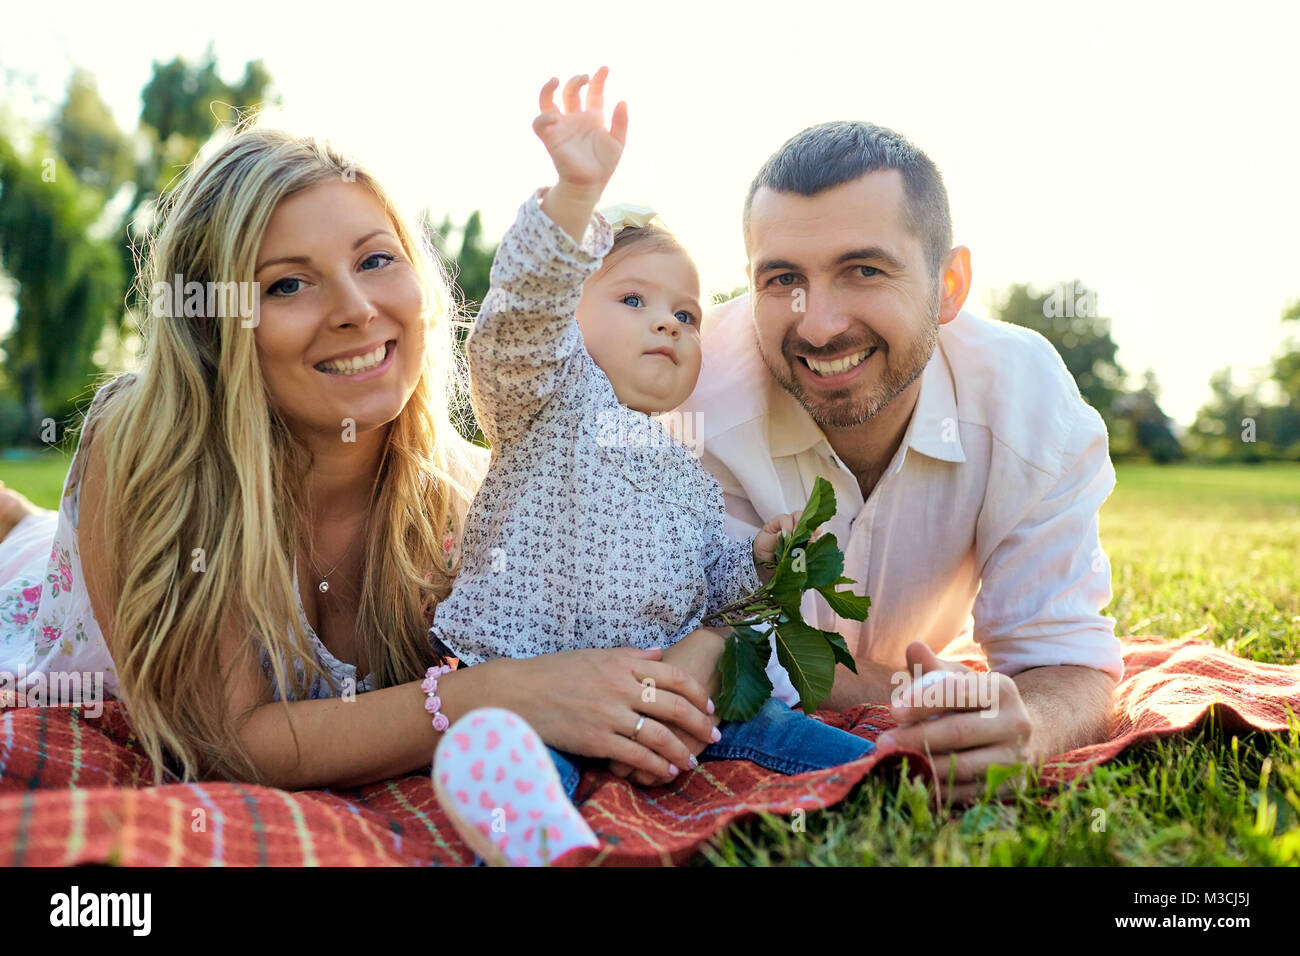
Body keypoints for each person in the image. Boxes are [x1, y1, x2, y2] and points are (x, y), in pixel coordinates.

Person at [0, 118, 721, 828]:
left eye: (376, 261)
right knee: (20, 546)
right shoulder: (155, 444)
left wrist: (693, 657)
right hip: (45, 602)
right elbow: (231, 741)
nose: (355, 309)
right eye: (287, 285)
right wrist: (488, 694)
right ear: (211, 329)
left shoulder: (467, 497)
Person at [429, 66, 877, 851]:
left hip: (656, 695)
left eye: (686, 315)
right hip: (535, 681)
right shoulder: (545, 397)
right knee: (509, 755)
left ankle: (883, 775)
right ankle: (540, 839)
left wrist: (759, 558)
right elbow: (521, 319)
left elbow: (709, 576)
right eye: (632, 300)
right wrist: (575, 198)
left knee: (769, 723)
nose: (667, 326)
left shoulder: (685, 469)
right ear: (571, 319)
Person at [669, 121, 1122, 805]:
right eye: (784, 278)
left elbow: (1067, 660)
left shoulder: (1030, 409)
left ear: (949, 283)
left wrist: (1028, 723)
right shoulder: (687, 399)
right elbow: (715, 651)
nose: (819, 325)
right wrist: (911, 690)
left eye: (864, 271)